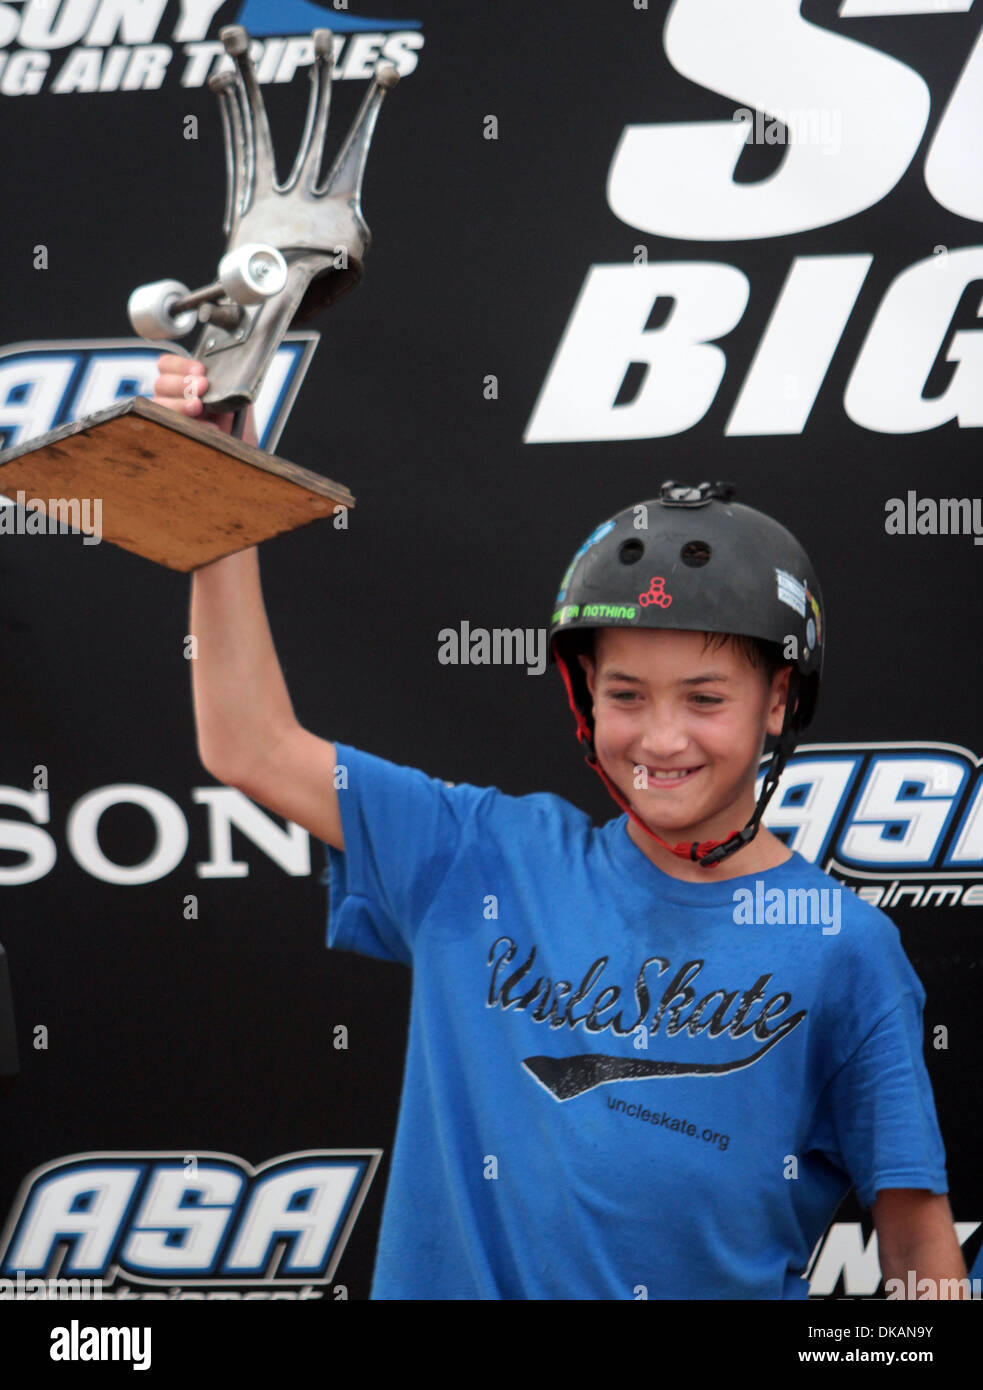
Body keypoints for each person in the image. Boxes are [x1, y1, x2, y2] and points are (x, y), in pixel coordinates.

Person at [154, 355, 967, 1300]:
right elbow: (247, 744)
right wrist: (215, 489)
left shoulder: (846, 948)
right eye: (625, 694)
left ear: (777, 699)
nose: (660, 737)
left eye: (704, 697)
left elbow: (916, 1248)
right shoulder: (477, 855)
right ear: (585, 698)